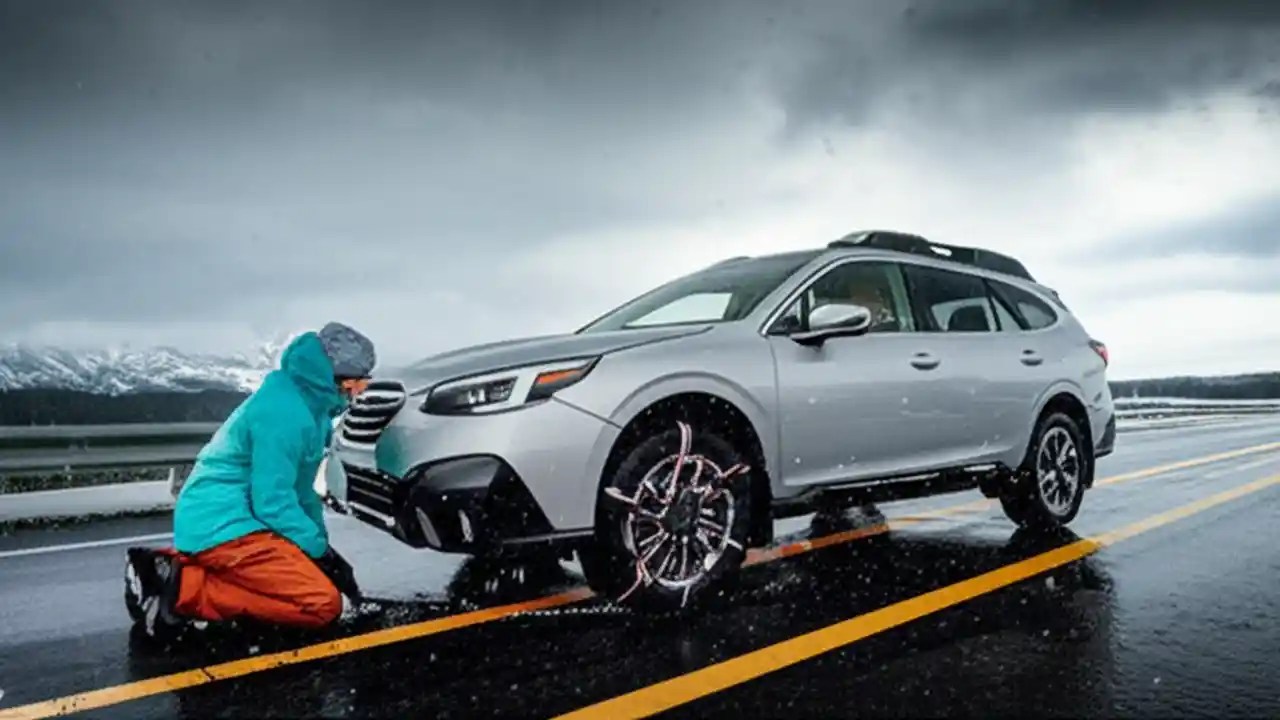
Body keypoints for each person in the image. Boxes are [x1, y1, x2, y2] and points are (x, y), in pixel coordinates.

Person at [124, 322, 375, 639]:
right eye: (357, 382)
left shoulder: (312, 412)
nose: (360, 391)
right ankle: (183, 588)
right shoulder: (286, 412)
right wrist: (321, 555)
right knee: (321, 605)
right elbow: (272, 501)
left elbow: (300, 493)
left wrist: (322, 550)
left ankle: (176, 568)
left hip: (241, 519)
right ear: (335, 377)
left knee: (315, 580)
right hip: (225, 523)